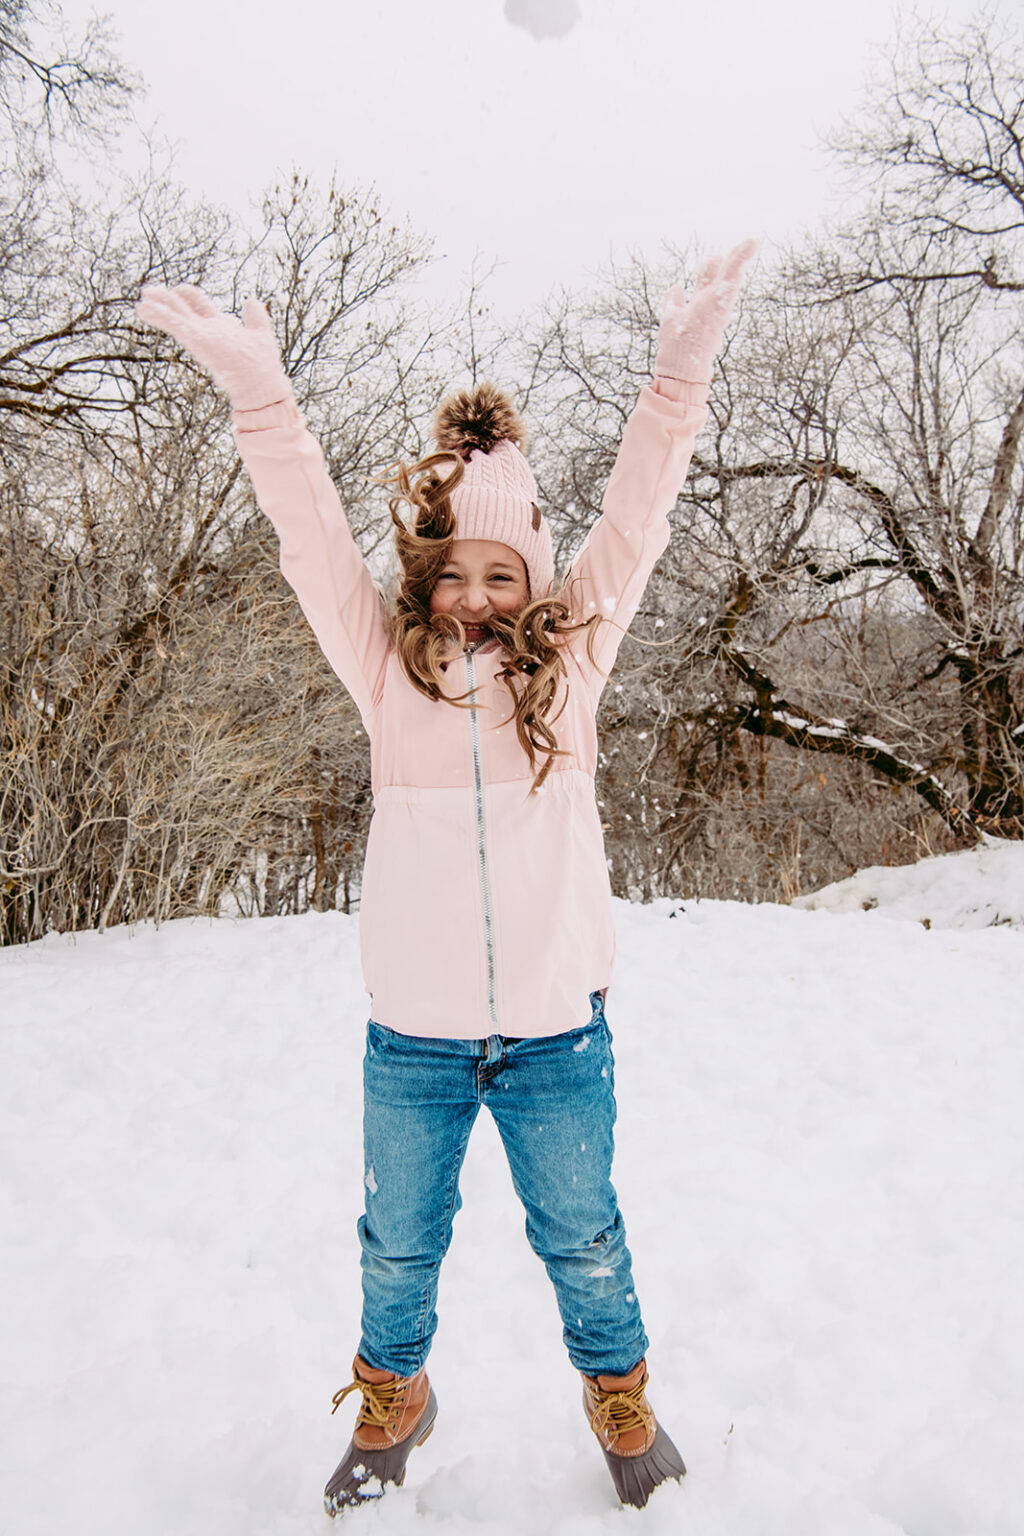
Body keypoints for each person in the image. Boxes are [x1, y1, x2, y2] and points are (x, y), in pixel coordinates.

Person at [136, 239, 754, 1516]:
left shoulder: (569, 670)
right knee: (397, 1248)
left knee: (583, 1242)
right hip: (411, 1040)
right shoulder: (388, 674)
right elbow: (310, 537)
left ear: (532, 580)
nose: (472, 599)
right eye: (450, 576)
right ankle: (394, 1396)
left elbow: (637, 515)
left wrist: (678, 374)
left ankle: (617, 1391)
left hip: (553, 1037)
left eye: (499, 576)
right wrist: (263, 396)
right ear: (422, 580)